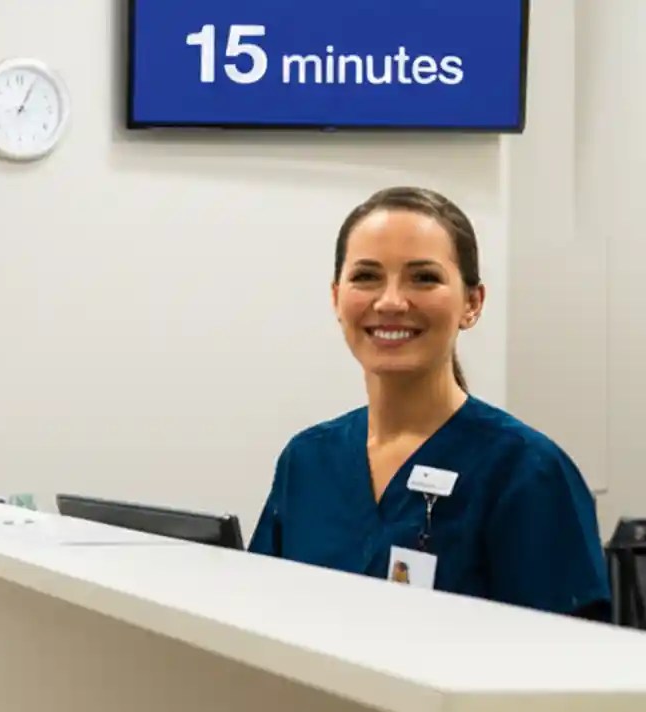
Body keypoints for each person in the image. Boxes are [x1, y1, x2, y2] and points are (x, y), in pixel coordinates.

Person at [248, 186, 611, 621]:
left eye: (424, 278)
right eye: (366, 276)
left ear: (472, 303)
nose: (391, 302)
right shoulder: (307, 463)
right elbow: (261, 624)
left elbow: (569, 670)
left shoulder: (528, 474)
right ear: (335, 298)